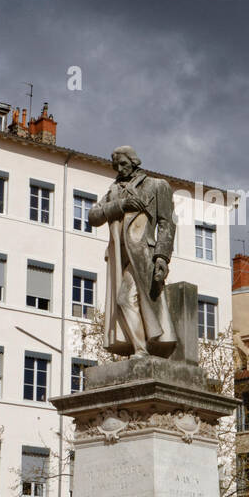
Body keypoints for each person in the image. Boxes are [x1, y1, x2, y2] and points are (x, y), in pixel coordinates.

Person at [87, 146, 177, 357]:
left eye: (124, 164)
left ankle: (142, 349)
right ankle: (140, 348)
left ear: (135, 162)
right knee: (125, 300)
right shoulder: (114, 190)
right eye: (116, 165)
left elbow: (167, 224)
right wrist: (121, 204)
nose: (120, 169)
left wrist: (162, 257)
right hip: (120, 255)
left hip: (143, 253)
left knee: (126, 299)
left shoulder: (156, 185)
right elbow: (93, 216)